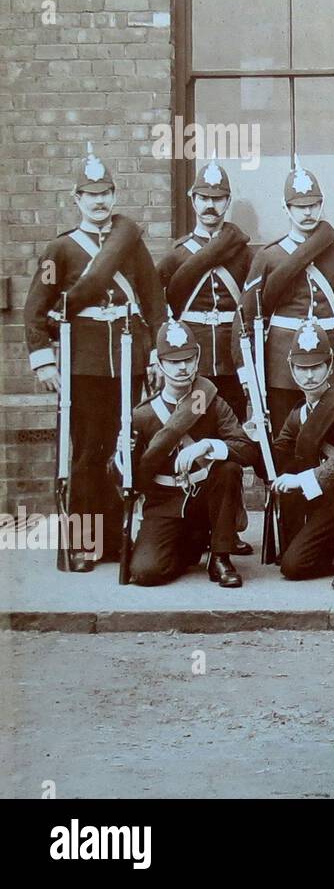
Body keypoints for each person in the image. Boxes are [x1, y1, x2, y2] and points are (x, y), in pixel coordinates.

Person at [23, 143, 165, 571]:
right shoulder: (60, 250)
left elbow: (154, 301)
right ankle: (85, 543)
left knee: (124, 446)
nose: (100, 201)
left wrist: (156, 352)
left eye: (106, 193)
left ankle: (119, 536)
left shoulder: (131, 246)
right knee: (86, 451)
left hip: (128, 356)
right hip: (82, 362)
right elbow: (34, 308)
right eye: (91, 194)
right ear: (77, 200)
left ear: (114, 196)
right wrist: (44, 361)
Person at [157, 153, 255, 555]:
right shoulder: (178, 255)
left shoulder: (243, 254)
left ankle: (228, 531)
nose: (211, 205)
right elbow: (158, 307)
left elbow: (251, 307)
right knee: (192, 441)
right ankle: (195, 527)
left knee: (227, 445)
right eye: (204, 198)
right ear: (191, 199)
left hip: (229, 363)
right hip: (191, 361)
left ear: (227, 201)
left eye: (219, 198)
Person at [240, 158, 334, 434]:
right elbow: (247, 320)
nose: (307, 212)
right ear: (286, 209)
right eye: (299, 206)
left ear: (321, 205)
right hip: (282, 364)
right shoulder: (268, 257)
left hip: (330, 362)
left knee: (332, 433)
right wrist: (247, 372)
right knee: (284, 437)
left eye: (312, 205)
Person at [127, 318, 257, 588]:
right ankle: (189, 546)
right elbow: (128, 480)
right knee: (146, 572)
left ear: (197, 359)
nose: (182, 367)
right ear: (160, 364)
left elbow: (246, 448)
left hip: (205, 499)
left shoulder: (213, 402)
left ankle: (220, 557)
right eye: (174, 361)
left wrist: (210, 446)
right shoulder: (143, 415)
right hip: (164, 502)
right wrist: (121, 456)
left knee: (228, 467)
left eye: (188, 359)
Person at [269, 315, 334, 589]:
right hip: (321, 501)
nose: (309, 375)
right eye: (302, 368)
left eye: (316, 367)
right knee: (292, 566)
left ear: (330, 366)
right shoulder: (298, 415)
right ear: (291, 369)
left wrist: (303, 480)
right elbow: (279, 458)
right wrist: (256, 440)